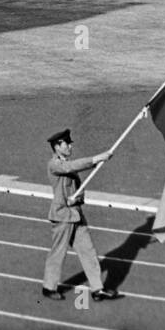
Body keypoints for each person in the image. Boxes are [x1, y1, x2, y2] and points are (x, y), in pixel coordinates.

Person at [41, 129, 121, 302]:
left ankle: (97, 289)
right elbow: (72, 167)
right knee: (58, 252)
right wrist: (96, 158)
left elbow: (74, 178)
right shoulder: (54, 164)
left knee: (88, 251)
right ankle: (49, 287)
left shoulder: (67, 163)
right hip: (62, 215)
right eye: (66, 143)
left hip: (76, 214)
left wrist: (78, 197)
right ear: (57, 146)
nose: (70, 146)